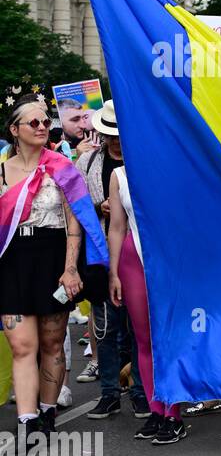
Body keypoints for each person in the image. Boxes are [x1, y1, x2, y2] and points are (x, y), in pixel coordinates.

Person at [1, 96, 106, 448]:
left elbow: (74, 224)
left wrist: (70, 268)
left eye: (47, 122)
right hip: (11, 261)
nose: (43, 127)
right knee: (21, 344)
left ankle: (47, 412)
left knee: (50, 342)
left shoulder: (61, 167)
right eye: (34, 123)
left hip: (52, 260)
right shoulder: (1, 171)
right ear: (14, 130)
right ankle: (27, 421)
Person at [106, 128, 188, 444]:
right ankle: (156, 410)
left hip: (169, 259)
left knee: (169, 337)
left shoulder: (171, 166)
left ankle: (174, 414)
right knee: (144, 339)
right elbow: (116, 227)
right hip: (132, 259)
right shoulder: (119, 175)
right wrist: (113, 272)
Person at [75, 103, 148, 422]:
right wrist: (98, 206)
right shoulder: (87, 162)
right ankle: (108, 394)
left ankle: (141, 392)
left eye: (119, 134)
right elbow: (73, 209)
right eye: (109, 134)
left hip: (138, 258)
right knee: (104, 330)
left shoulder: (143, 161)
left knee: (139, 330)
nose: (115, 140)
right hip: (98, 258)